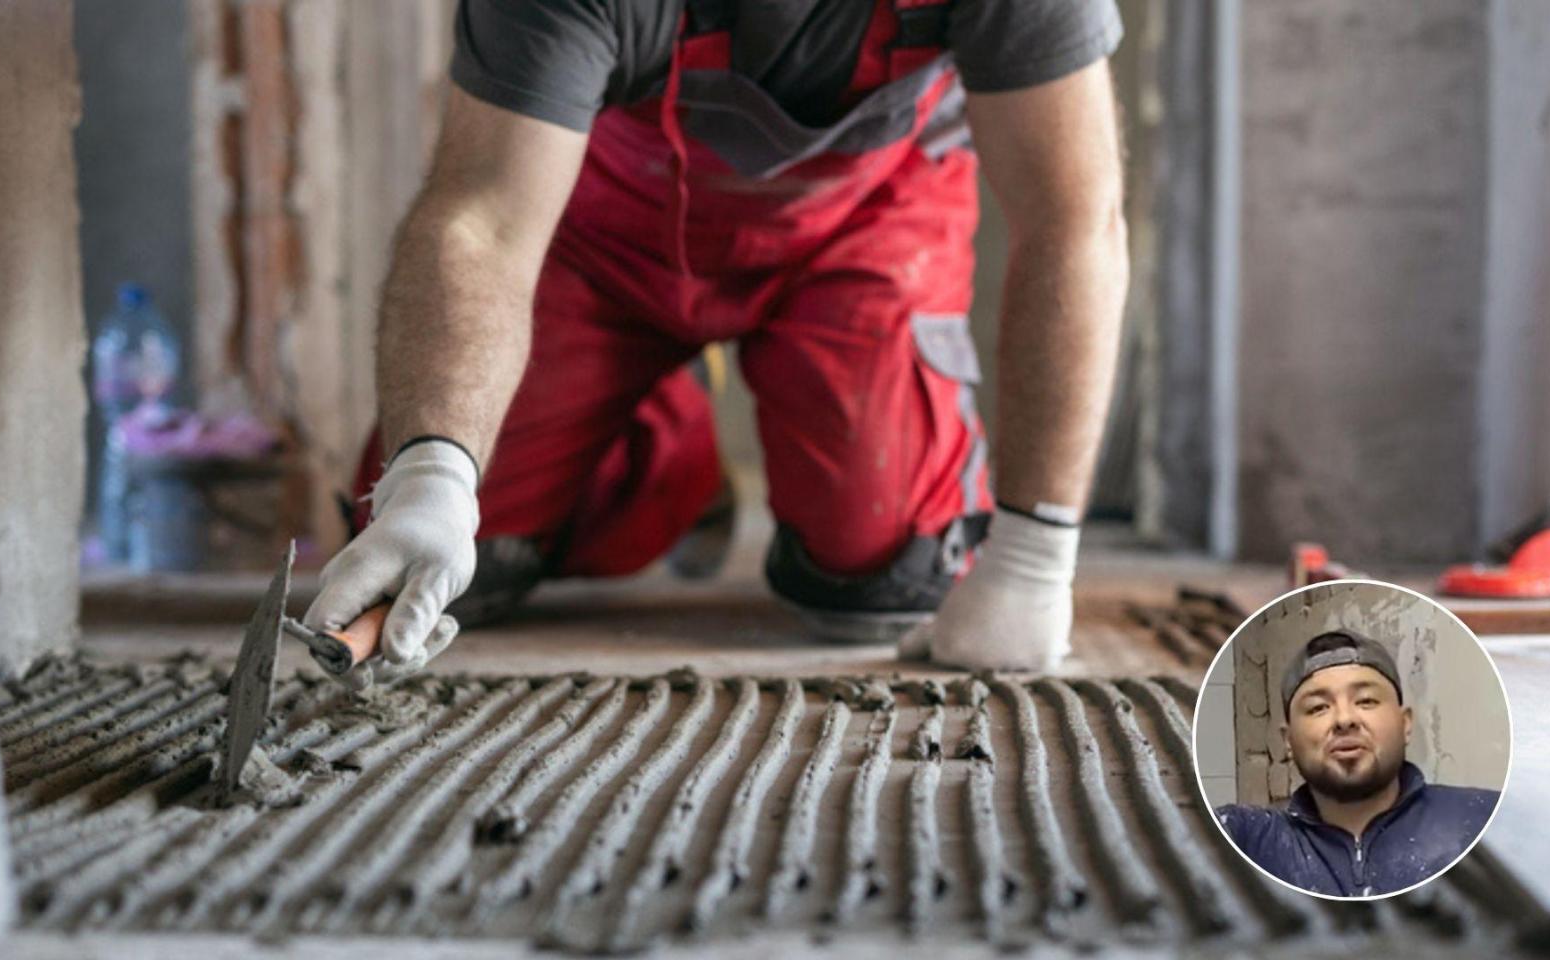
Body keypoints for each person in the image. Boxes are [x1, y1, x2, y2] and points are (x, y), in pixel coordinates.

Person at [303, 0, 1131, 681]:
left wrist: (1033, 553)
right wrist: (433, 474)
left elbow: (1073, 219)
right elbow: (483, 223)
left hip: (861, 233)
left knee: (880, 572)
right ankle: (661, 435)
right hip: (600, 245)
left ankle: (673, 409)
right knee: (450, 554)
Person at [1215, 630, 1501, 898]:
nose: (1344, 720)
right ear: (1287, 740)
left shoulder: (1485, 821)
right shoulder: (1249, 841)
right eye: (1318, 708)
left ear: (1405, 724)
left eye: (1365, 701)